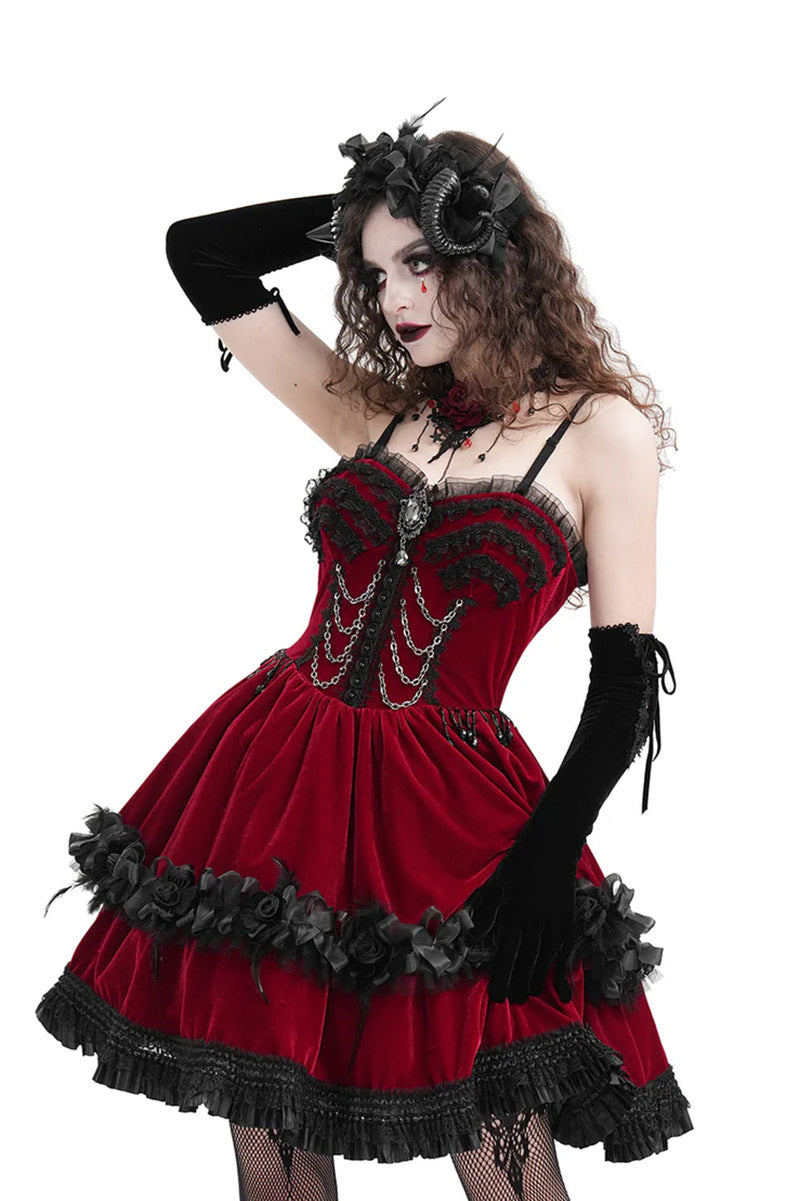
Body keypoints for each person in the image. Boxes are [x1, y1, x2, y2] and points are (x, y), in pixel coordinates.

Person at [35, 98, 693, 1201]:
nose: (392, 299)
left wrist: (548, 854)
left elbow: (625, 679)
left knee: (499, 1150)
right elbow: (202, 253)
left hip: (449, 820)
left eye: (420, 264)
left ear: (493, 253)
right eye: (375, 273)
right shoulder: (377, 412)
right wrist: (370, 209)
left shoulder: (600, 434)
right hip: (278, 787)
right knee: (276, 1129)